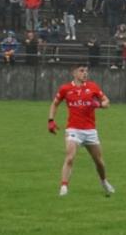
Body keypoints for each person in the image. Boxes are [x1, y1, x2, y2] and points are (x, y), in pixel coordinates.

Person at [48, 64, 114, 197]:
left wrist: (100, 105)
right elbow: (55, 103)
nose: (85, 73)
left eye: (86, 71)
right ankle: (64, 187)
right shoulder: (65, 89)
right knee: (70, 157)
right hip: (73, 129)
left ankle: (104, 181)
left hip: (90, 131)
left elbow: (107, 102)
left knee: (99, 161)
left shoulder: (93, 87)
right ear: (74, 73)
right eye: (82, 71)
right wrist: (51, 120)